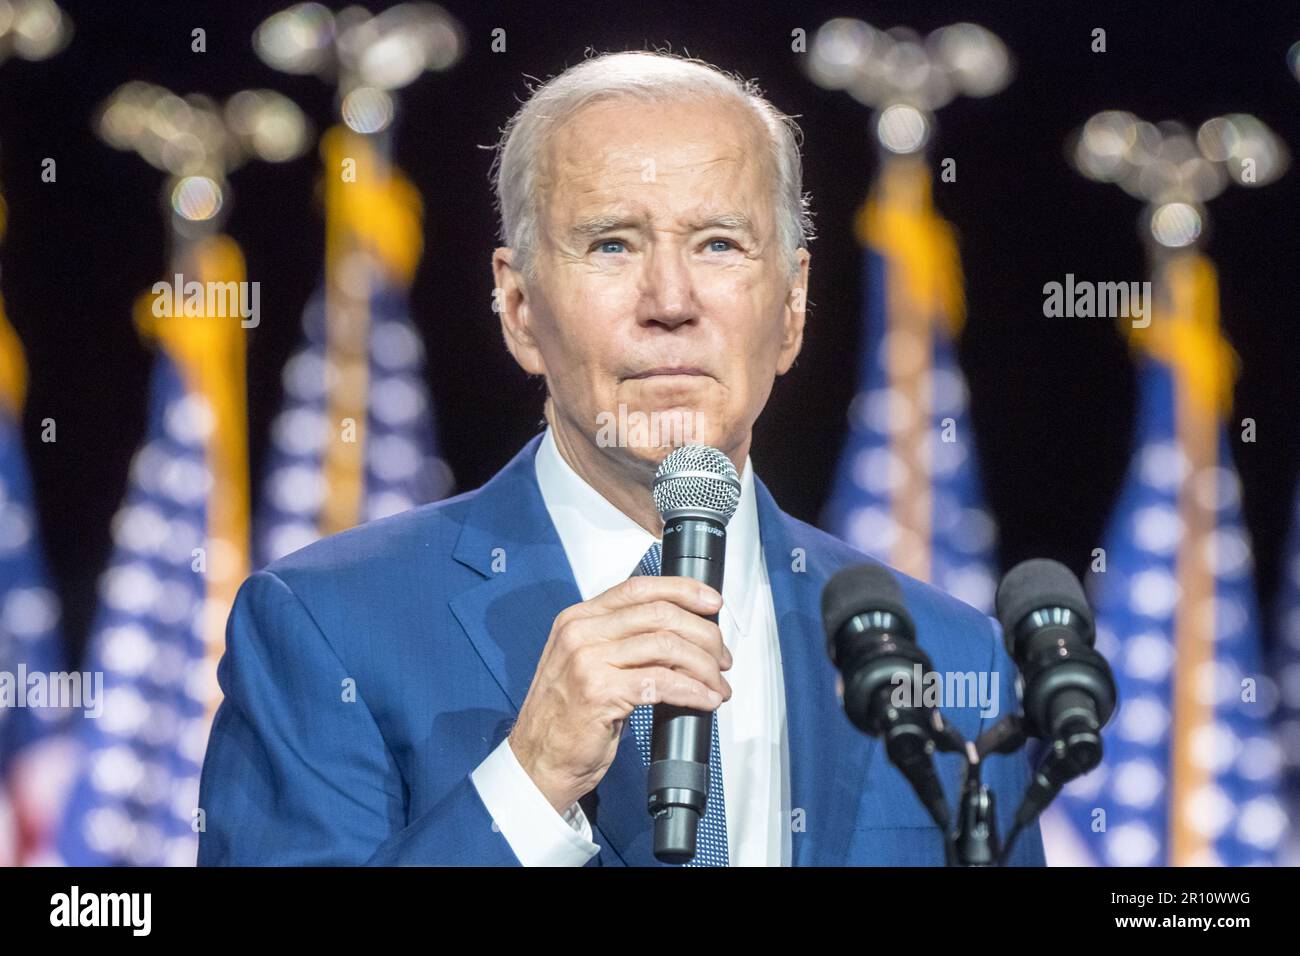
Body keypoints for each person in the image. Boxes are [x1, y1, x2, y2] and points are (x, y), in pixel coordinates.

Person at [197, 50, 1046, 866]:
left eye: (719, 244)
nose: (671, 303)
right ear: (519, 308)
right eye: (612, 244)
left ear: (791, 309)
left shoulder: (954, 662)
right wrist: (527, 786)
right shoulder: (326, 627)